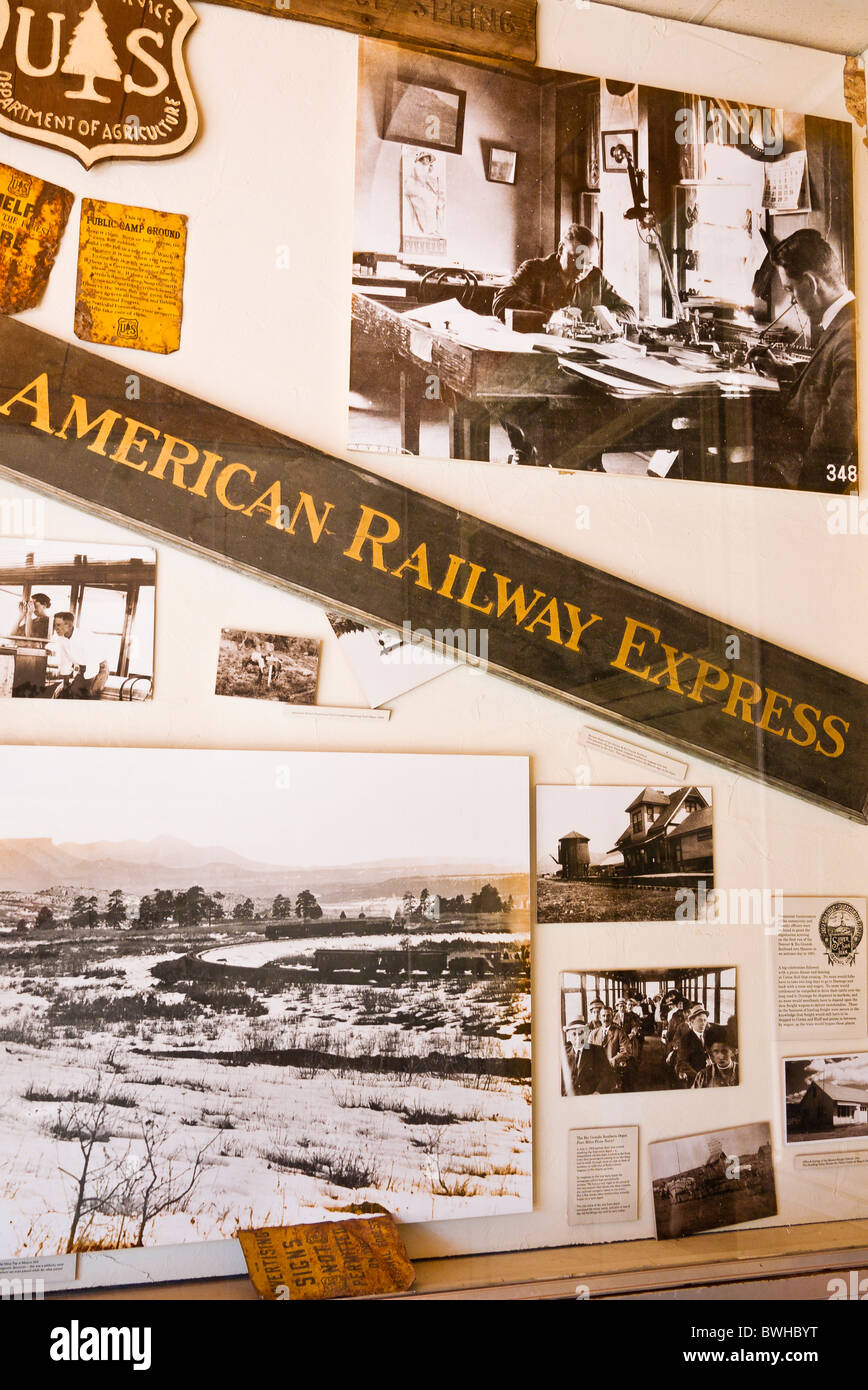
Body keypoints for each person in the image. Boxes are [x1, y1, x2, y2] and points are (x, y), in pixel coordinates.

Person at [492, 224, 636, 465]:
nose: (581, 268)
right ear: (560, 249)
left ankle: (588, 459)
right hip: (536, 363)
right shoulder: (535, 270)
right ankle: (522, 448)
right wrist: (552, 316)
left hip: (579, 367)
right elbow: (502, 303)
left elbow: (629, 311)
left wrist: (600, 316)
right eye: (575, 258)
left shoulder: (595, 277)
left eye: (588, 262)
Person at [751, 229, 856, 493]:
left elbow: (835, 434)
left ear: (810, 283)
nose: (792, 300)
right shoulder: (842, 321)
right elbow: (829, 378)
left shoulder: (853, 333)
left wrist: (803, 498)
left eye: (790, 290)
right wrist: (782, 370)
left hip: (807, 479)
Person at [46, 611, 108, 699]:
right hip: (83, 669)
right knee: (67, 694)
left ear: (70, 625)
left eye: (58, 625)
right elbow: (65, 662)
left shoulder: (84, 637)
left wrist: (86, 689)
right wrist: (65, 685)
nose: (56, 628)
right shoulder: (62, 639)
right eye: (55, 625)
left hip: (98, 669)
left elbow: (92, 664)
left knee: (89, 697)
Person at [588, 1004, 634, 1094]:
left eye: (608, 1015)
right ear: (600, 1017)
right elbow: (589, 1052)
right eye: (603, 1016)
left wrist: (613, 1060)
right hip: (596, 1070)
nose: (606, 1018)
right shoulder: (593, 1033)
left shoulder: (619, 1032)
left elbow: (626, 1051)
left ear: (612, 1017)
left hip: (613, 1069)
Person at [675, 1003, 710, 1086]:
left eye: (705, 1020)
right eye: (700, 1020)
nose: (703, 1023)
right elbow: (683, 1063)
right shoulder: (685, 1040)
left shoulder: (708, 1035)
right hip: (695, 1079)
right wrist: (699, 1077)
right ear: (692, 1021)